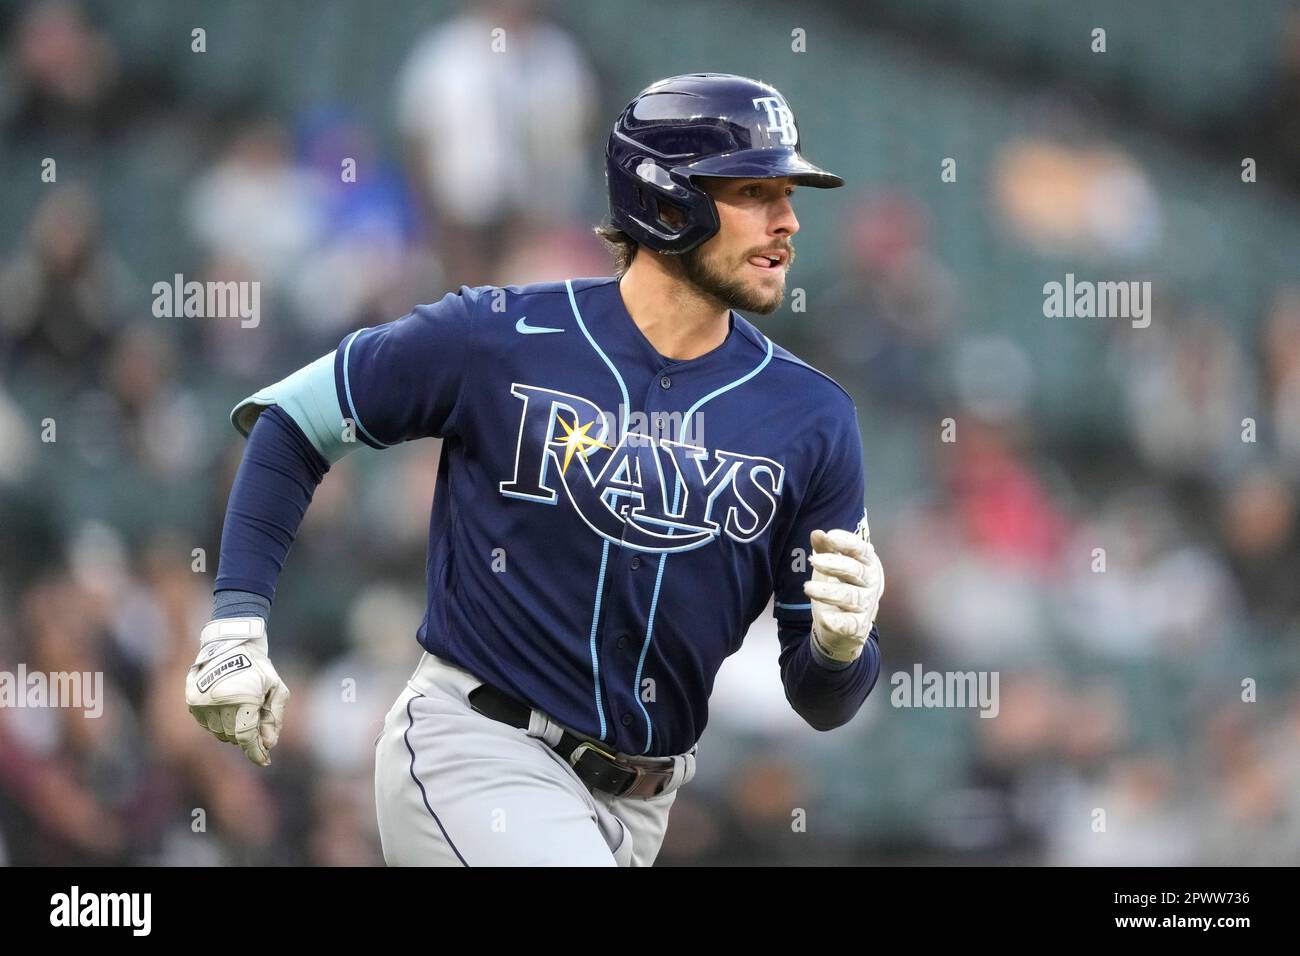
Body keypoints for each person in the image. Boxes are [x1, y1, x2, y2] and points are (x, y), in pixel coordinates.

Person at [185, 73, 886, 867]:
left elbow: (822, 700)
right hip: (476, 749)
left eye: (788, 192)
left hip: (637, 812)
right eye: (756, 189)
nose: (788, 221)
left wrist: (837, 649)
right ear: (665, 198)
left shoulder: (814, 418)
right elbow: (295, 421)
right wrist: (237, 618)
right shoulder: (501, 335)